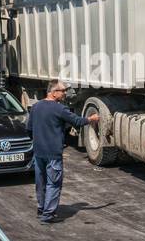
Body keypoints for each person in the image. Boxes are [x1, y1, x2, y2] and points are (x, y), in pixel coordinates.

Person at [26, 80, 98, 223]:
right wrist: (91, 119)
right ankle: (48, 215)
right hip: (53, 153)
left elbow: (29, 129)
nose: (65, 93)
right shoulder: (60, 109)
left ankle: (41, 209)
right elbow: (77, 121)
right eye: (63, 91)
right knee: (54, 183)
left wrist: (38, 142)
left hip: (39, 153)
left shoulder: (35, 107)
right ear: (53, 92)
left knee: (41, 183)